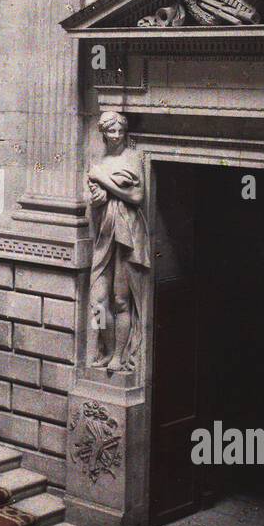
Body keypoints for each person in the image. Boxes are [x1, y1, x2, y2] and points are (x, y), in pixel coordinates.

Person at [87, 110, 150, 373]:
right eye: (110, 131)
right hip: (103, 235)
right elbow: (95, 197)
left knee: (120, 300)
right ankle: (108, 348)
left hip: (127, 236)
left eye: (119, 131)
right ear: (102, 133)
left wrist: (102, 179)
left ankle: (119, 356)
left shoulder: (132, 157)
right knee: (97, 302)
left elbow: (136, 197)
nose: (115, 136)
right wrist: (98, 196)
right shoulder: (98, 160)